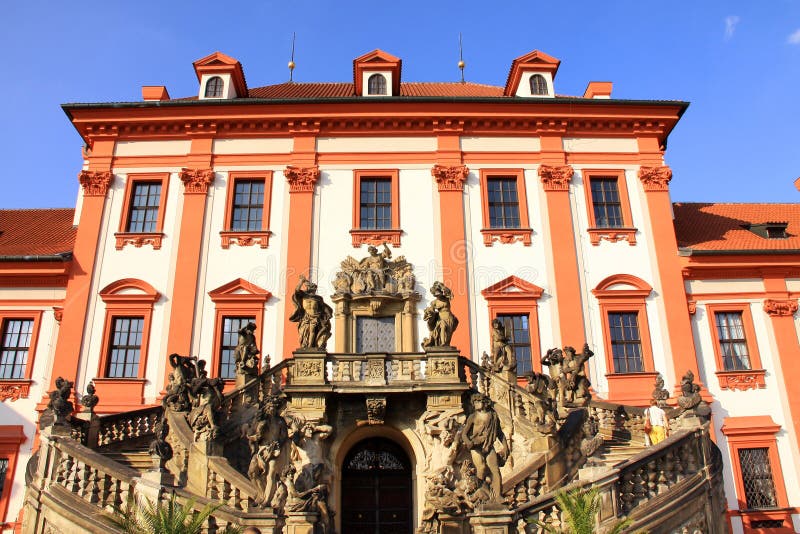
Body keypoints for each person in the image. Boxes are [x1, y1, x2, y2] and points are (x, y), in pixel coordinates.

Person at [461, 393, 508, 501]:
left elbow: (499, 433)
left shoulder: (493, 416)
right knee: (481, 468)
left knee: (495, 470)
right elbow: (464, 434)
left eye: (478, 401)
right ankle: (480, 492)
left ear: (485, 403)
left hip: (488, 446)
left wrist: (505, 446)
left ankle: (498, 495)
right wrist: (468, 442)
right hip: (476, 447)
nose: (476, 404)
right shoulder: (473, 417)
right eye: (475, 402)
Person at [289, 275, 333, 350]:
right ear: (308, 288)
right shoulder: (303, 295)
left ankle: (309, 347)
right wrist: (301, 281)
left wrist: (327, 315)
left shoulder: (318, 298)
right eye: (311, 287)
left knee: (312, 330)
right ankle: (305, 346)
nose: (313, 289)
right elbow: (296, 291)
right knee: (304, 332)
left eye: (314, 288)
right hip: (305, 316)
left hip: (315, 316)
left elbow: (323, 307)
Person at [421, 281, 459, 348]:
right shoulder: (434, 302)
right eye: (435, 294)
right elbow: (431, 311)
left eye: (438, 293)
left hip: (448, 317)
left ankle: (446, 344)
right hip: (440, 318)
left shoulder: (446, 299)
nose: (437, 295)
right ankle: (443, 344)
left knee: (448, 334)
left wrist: (441, 286)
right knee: (442, 325)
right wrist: (429, 313)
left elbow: (450, 294)